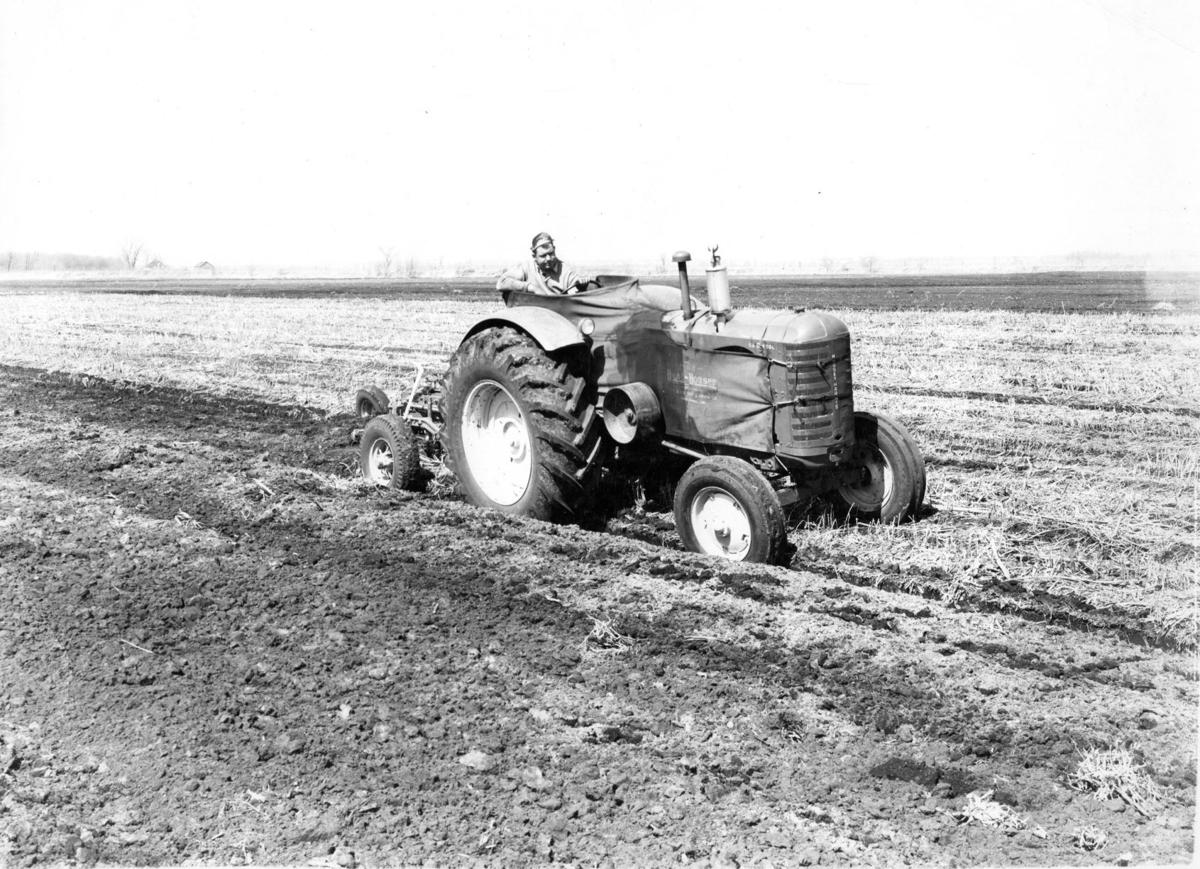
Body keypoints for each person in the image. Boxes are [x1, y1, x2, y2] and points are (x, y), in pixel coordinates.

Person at [497, 232, 593, 295]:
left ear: (554, 250)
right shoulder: (526, 267)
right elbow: (501, 283)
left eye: (551, 254)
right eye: (543, 256)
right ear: (534, 256)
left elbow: (573, 294)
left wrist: (581, 286)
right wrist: (531, 287)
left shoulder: (565, 271)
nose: (548, 259)